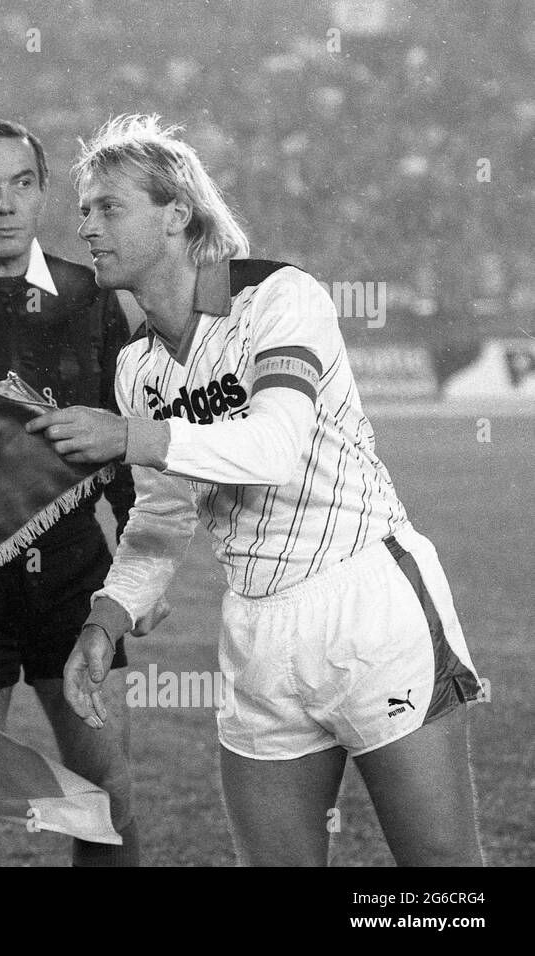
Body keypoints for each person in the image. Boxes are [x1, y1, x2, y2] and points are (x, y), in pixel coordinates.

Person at [29, 114, 484, 866]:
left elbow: (277, 444)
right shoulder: (136, 370)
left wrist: (128, 436)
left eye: (108, 206)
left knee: (446, 891)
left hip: (367, 605)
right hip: (256, 633)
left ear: (177, 213)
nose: (87, 228)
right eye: (83, 210)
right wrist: (107, 618)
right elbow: (163, 514)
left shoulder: (278, 297)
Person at [0, 119, 146, 867]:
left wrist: (140, 566)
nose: (5, 204)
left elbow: (122, 438)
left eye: (21, 184)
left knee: (107, 797)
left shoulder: (88, 294)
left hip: (75, 574)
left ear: (44, 194)